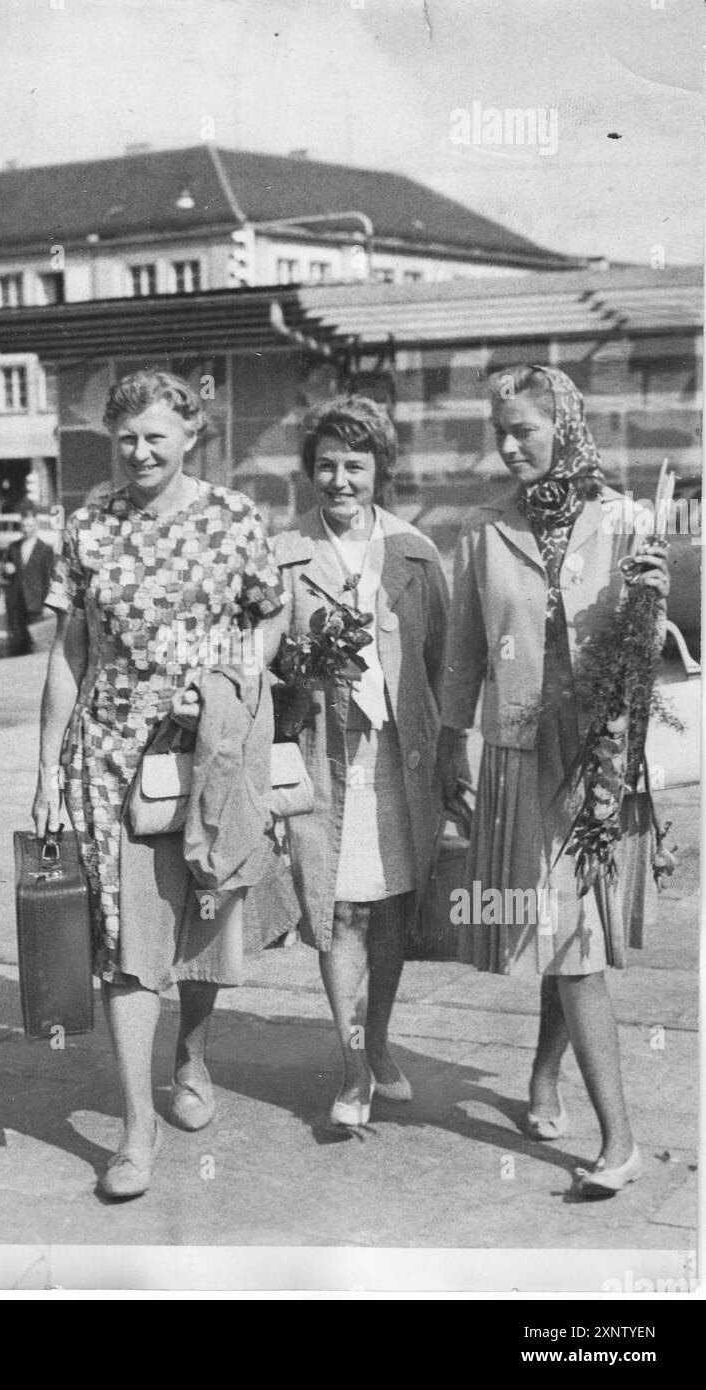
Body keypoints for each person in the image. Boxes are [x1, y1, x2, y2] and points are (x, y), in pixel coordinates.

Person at [33, 368, 294, 1199]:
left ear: (190, 436)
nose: (139, 451)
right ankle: (135, 1129)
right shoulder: (87, 527)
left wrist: (234, 682)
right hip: (109, 753)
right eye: (125, 438)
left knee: (204, 919)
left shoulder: (232, 518)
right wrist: (46, 769)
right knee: (124, 939)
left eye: (156, 436)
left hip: (209, 748)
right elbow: (69, 652)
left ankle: (191, 1053)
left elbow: (270, 612)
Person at [437, 364, 669, 1198]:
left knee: (573, 940)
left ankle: (617, 1140)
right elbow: (463, 650)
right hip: (517, 751)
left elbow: (655, 637)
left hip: (598, 756)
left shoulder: (623, 521)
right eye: (497, 432)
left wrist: (654, 592)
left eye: (523, 431)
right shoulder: (483, 529)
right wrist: (444, 748)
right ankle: (550, 1082)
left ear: (562, 428)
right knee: (557, 928)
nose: (506, 447)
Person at [272, 396, 451, 1126]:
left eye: (355, 465)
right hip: (324, 758)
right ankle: (351, 1069)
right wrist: (302, 668)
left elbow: (440, 665)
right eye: (326, 466)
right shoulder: (285, 554)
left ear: (380, 469)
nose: (339, 480)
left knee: (389, 914)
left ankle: (377, 1042)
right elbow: (266, 667)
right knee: (337, 911)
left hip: (397, 763)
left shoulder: (414, 552)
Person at [0, 504, 55, 655]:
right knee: (17, 639)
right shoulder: (14, 547)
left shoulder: (45, 549)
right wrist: (6, 570)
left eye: (30, 525)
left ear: (36, 526)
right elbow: (4, 574)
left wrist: (48, 603)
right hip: (16, 600)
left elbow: (49, 576)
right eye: (24, 525)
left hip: (35, 599)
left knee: (35, 639)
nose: (27, 528)